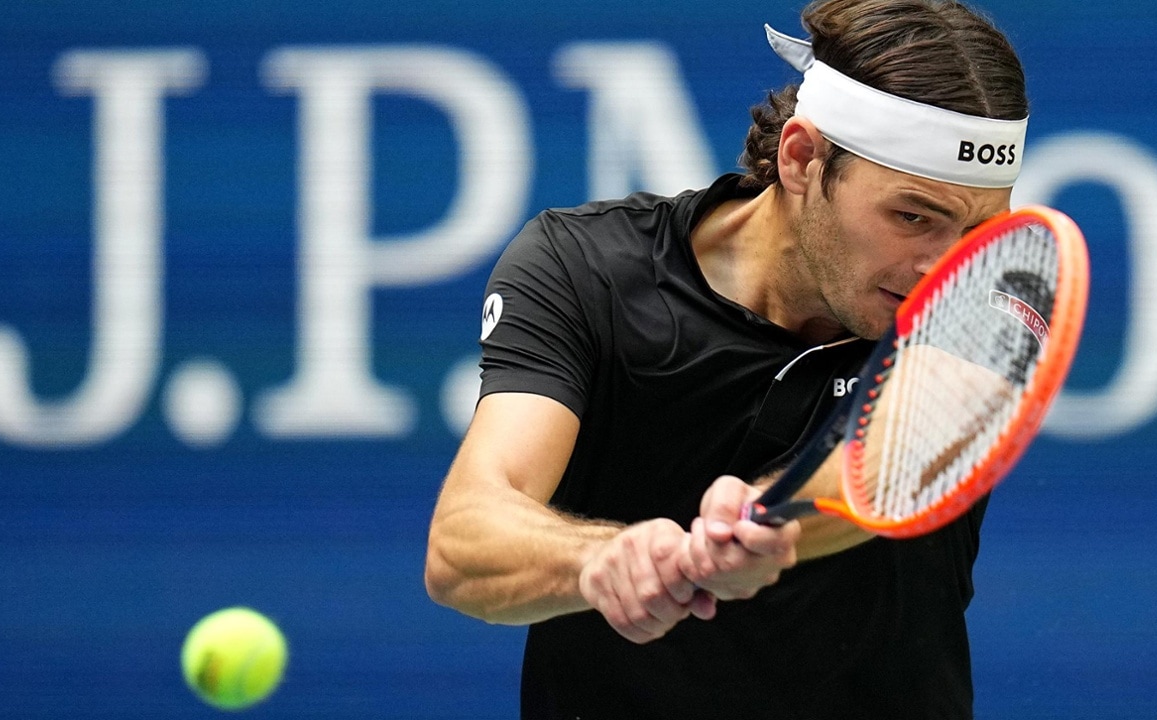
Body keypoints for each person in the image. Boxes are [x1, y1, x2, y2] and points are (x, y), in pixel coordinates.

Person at [425, 0, 1030, 717]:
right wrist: (600, 561)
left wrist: (763, 520)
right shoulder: (581, 267)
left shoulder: (994, 289)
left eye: (980, 226)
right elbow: (464, 539)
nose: (944, 264)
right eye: (912, 216)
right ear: (802, 158)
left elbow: (889, 465)